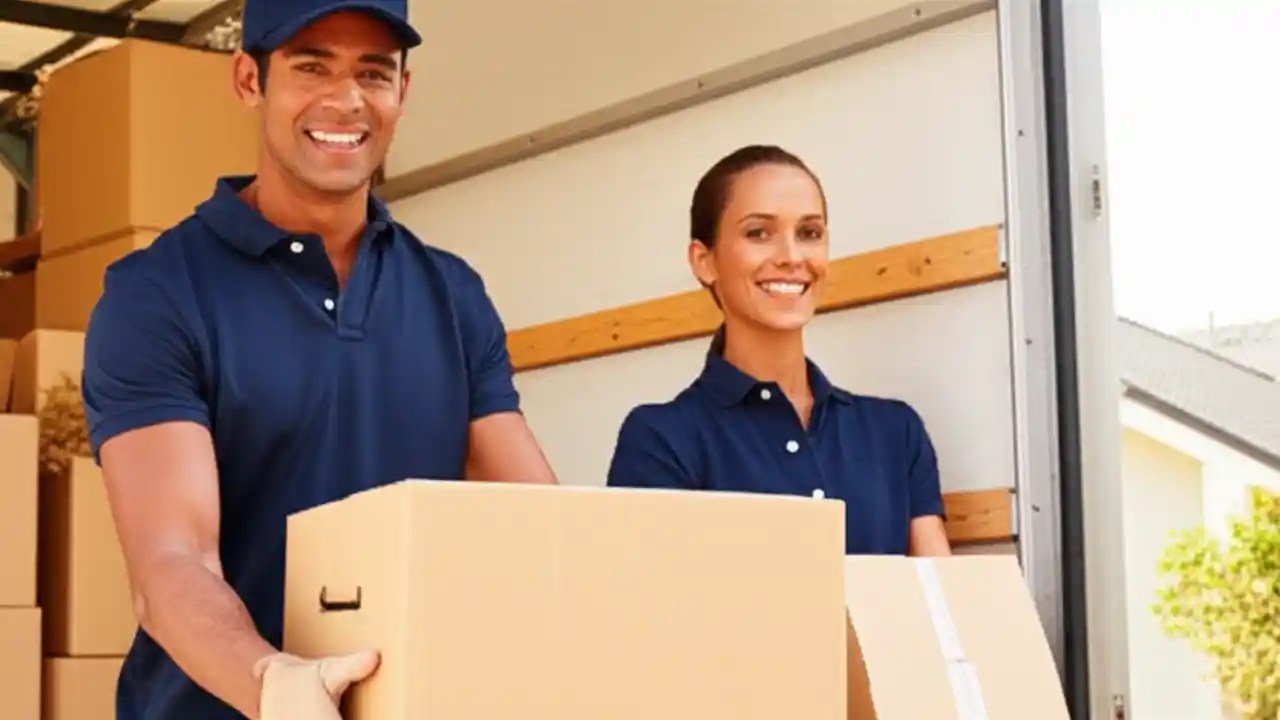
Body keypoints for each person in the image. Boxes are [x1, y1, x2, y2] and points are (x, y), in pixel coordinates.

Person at [81, 1, 559, 718]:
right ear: (250, 80)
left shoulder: (453, 295)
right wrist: (277, 685)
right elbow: (172, 563)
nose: (346, 99)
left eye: (374, 72)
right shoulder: (158, 294)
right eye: (311, 66)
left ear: (404, 90)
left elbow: (536, 525)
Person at [606, 145, 951, 557]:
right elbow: (655, 611)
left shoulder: (896, 432)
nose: (791, 257)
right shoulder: (661, 439)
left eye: (809, 233)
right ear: (704, 261)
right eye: (758, 233)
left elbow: (937, 605)